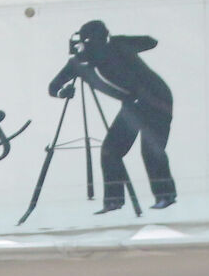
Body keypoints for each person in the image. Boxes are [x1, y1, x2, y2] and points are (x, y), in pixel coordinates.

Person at [47, 19, 176, 212]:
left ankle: (165, 196)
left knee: (151, 150)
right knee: (111, 151)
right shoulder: (80, 62)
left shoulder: (118, 45)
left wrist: (123, 42)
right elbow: (53, 87)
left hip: (156, 99)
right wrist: (62, 92)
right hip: (133, 104)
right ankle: (114, 201)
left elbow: (151, 41)